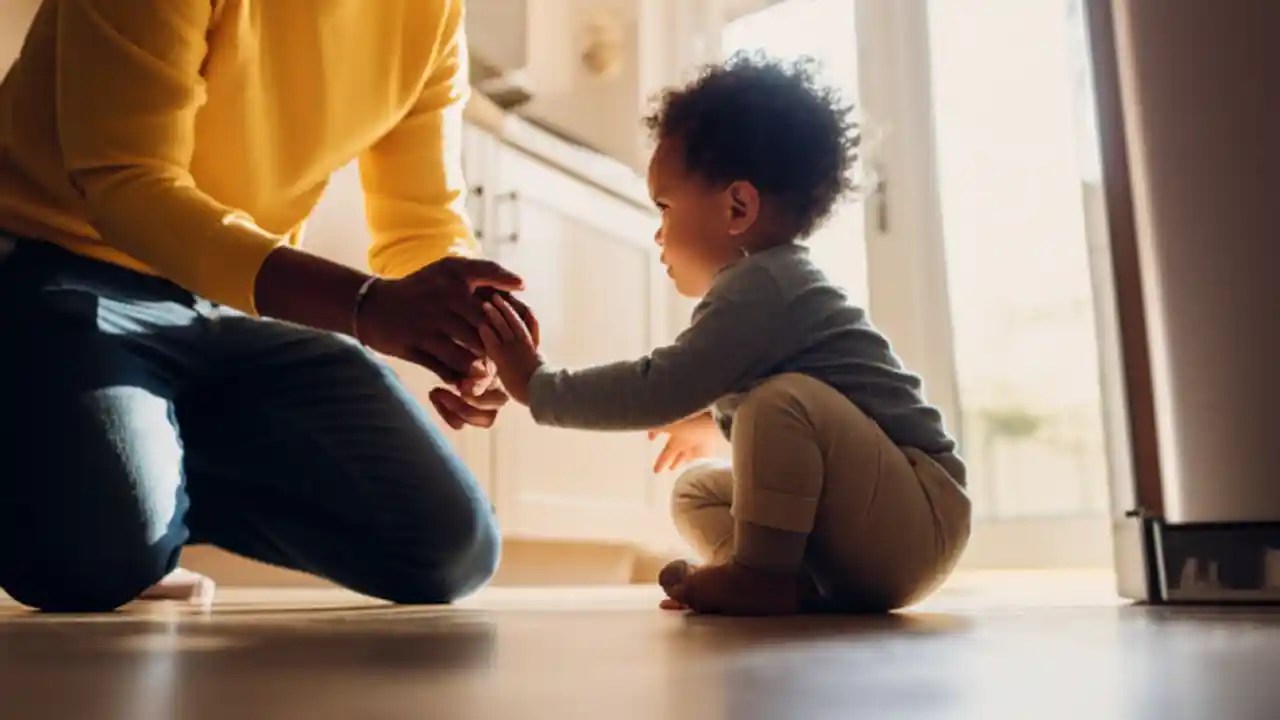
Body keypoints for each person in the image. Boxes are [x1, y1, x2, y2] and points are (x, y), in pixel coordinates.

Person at [0, 0, 532, 611]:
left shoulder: (431, 12)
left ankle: (124, 475)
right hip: (54, 269)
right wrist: (362, 305)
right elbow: (128, 183)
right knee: (85, 564)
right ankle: (97, 482)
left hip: (229, 304)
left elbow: (424, 223)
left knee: (451, 547)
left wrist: (473, 333)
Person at [477, 53, 971, 615]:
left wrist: (536, 384)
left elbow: (660, 385)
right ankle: (788, 583)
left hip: (920, 517)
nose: (658, 232)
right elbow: (819, 427)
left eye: (664, 207)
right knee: (698, 492)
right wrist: (714, 423)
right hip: (878, 537)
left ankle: (760, 578)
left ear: (737, 206)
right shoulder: (770, 288)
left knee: (776, 402)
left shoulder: (764, 284)